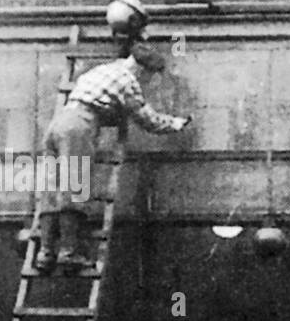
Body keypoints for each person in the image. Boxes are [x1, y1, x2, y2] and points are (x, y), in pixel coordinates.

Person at [36, 43, 191, 273]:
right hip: (80, 125)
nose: (147, 82)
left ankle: (45, 254)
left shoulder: (102, 70)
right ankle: (69, 253)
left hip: (59, 122)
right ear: (142, 70)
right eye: (149, 77)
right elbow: (146, 118)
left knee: (52, 189)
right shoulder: (127, 81)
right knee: (75, 188)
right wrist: (175, 124)